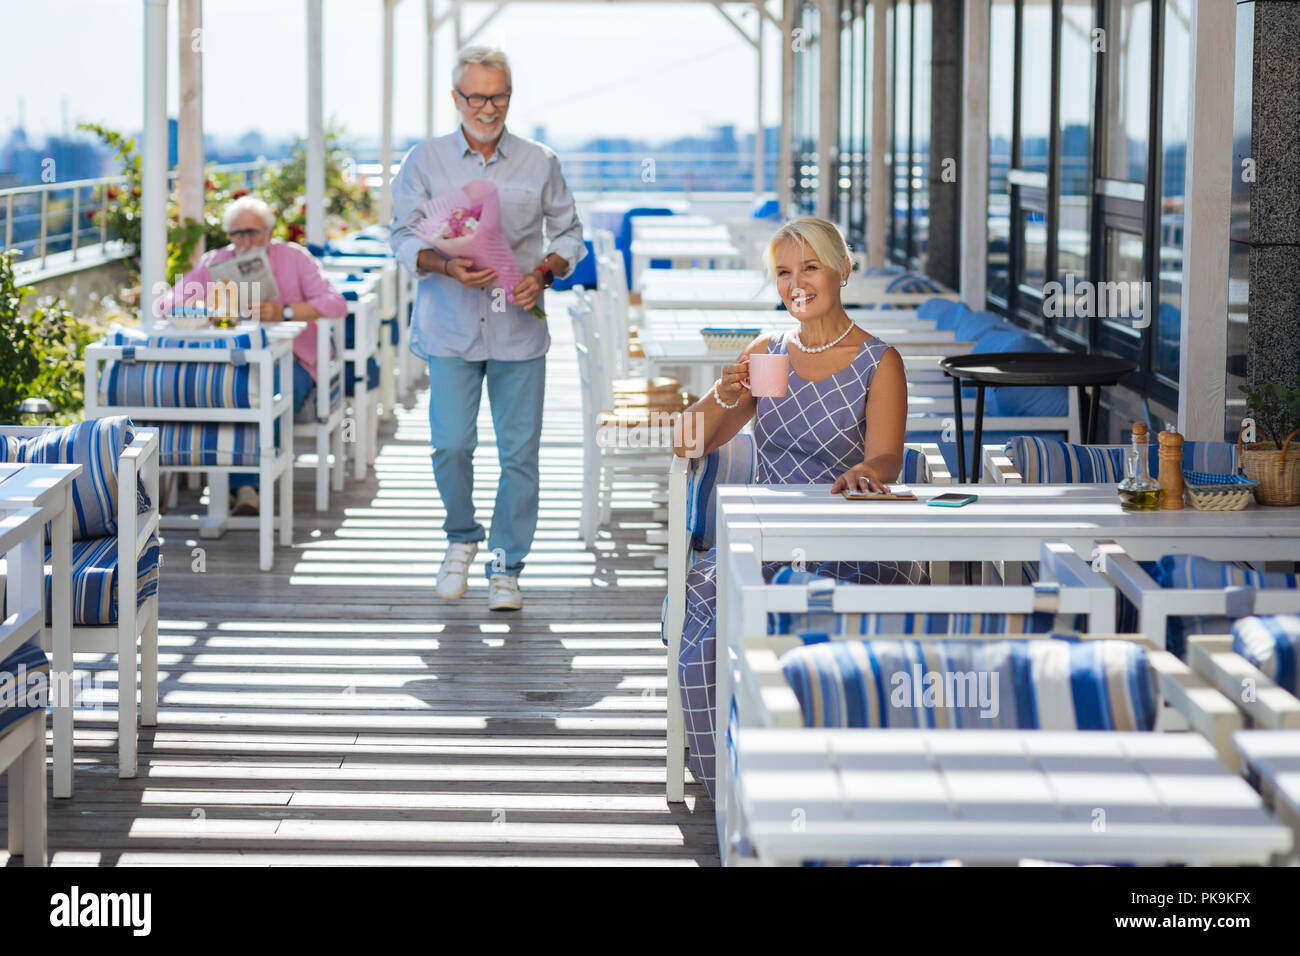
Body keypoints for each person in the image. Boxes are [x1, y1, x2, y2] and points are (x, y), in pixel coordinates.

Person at [670, 216, 926, 800]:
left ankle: (840, 779)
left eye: (809, 267)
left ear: (842, 270)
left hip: (852, 543)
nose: (797, 283)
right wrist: (722, 394)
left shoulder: (879, 361)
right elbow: (686, 444)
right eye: (784, 272)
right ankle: (731, 790)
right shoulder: (771, 353)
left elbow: (887, 458)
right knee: (703, 601)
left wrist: (864, 471)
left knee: (812, 604)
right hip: (763, 542)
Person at [389, 45, 586, 612]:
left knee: (520, 455)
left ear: (509, 97)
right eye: (476, 96)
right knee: (451, 444)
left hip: (518, 329)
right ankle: (460, 539)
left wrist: (545, 273)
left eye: (498, 95)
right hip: (448, 328)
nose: (488, 107)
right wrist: (446, 265)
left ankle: (506, 565)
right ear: (456, 98)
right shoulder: (424, 161)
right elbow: (403, 237)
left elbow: (569, 233)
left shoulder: (539, 160)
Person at [159, 196, 348, 515]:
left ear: (270, 232)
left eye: (253, 232)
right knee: (223, 387)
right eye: (238, 234)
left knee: (261, 391)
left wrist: (284, 311)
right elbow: (168, 302)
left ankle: (244, 484)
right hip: (235, 357)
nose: (245, 241)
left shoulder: (294, 257)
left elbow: (335, 303)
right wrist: (209, 309)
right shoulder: (215, 261)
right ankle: (237, 483)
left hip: (295, 358)